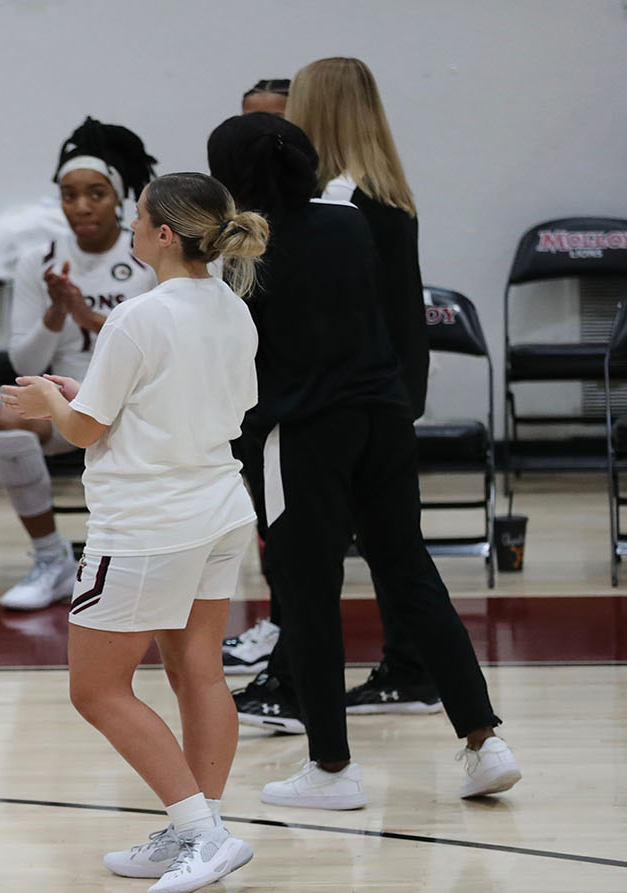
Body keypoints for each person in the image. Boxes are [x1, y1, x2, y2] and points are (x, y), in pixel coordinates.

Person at [206, 113, 521, 810]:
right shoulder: (347, 222)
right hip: (383, 419)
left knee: (309, 596)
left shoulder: (234, 252)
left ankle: (331, 768)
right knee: (409, 574)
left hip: (301, 436)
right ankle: (484, 740)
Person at [1, 173, 265, 893]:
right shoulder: (233, 310)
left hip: (150, 521)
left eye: (138, 217)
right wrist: (74, 399)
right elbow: (224, 407)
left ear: (162, 235)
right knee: (198, 673)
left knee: (96, 689)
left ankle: (203, 833)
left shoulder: (140, 317)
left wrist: (46, 399)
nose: (131, 227)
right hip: (218, 508)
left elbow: (86, 425)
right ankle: (196, 826)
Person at [232, 56, 442, 728]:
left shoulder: (336, 203)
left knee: (309, 556)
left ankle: (294, 690)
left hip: (330, 402)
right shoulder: (389, 193)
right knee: (393, 551)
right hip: (388, 392)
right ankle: (415, 676)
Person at [0, 118, 158, 611]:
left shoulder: (151, 255)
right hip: (71, 402)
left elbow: (166, 344)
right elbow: (23, 361)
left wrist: (89, 315)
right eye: (69, 194)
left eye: (96, 193)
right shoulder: (38, 259)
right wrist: (56, 314)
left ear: (121, 198)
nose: (82, 206)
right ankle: (52, 560)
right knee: (6, 426)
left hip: (139, 404)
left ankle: (137, 561)